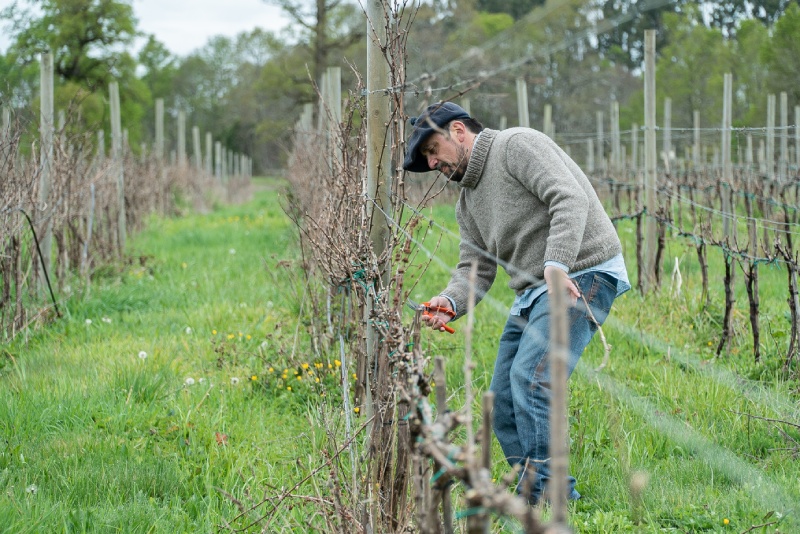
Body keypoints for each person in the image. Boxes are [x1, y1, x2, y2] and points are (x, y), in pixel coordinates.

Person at [402, 101, 630, 504]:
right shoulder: (466, 203)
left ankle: (553, 498)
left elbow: (569, 199)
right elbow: (474, 268)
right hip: (535, 291)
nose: (433, 163)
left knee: (532, 378)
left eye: (433, 150)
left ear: (458, 131)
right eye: (427, 159)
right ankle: (531, 492)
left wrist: (556, 265)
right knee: (503, 398)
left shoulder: (516, 145)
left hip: (581, 272)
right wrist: (449, 302)